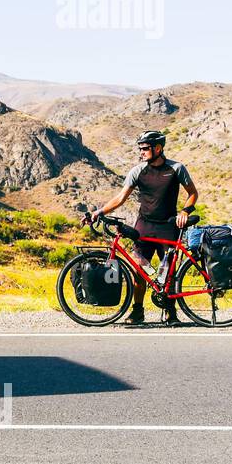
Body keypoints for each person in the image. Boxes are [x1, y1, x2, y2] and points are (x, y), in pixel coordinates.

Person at [87, 130, 199, 325]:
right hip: (144, 226)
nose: (142, 152)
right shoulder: (138, 171)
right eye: (140, 148)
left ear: (158, 148)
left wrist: (185, 211)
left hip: (168, 226)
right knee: (140, 271)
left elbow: (192, 193)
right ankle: (137, 312)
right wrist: (100, 212)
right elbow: (121, 198)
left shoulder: (176, 168)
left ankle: (170, 312)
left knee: (168, 273)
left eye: (146, 148)